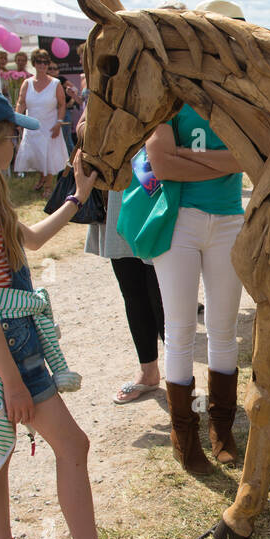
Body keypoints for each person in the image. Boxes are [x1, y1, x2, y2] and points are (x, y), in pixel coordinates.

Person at [0, 85, 160, 539]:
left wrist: (77, 196)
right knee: (73, 446)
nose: (19, 144)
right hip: (4, 351)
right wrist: (13, 382)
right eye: (12, 135)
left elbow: (30, 240)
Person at [130, 0, 248, 475]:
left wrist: (191, 160)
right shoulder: (170, 91)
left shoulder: (243, 92)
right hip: (177, 221)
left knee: (224, 330)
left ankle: (221, 428)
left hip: (228, 221)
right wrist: (228, 159)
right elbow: (160, 163)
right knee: (179, 330)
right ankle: (184, 435)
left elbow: (250, 157)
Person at [84, 169, 165, 404]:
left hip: (158, 191)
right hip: (119, 190)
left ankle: (181, 378)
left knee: (163, 295)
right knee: (132, 290)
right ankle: (148, 371)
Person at [14, 48, 68, 194]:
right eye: (39, 62)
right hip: (32, 125)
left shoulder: (55, 83)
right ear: (34, 63)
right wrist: (18, 119)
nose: (42, 65)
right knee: (35, 154)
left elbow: (62, 104)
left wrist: (59, 122)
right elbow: (21, 102)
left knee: (49, 155)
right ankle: (42, 177)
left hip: (50, 125)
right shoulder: (27, 83)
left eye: (45, 62)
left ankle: (48, 186)